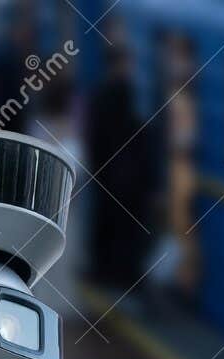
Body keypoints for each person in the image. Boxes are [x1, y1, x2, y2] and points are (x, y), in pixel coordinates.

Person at [84, 44, 159, 294]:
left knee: (108, 226)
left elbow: (95, 138)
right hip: (128, 177)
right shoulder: (128, 96)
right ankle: (126, 276)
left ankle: (108, 272)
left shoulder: (99, 97)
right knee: (128, 231)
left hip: (109, 175)